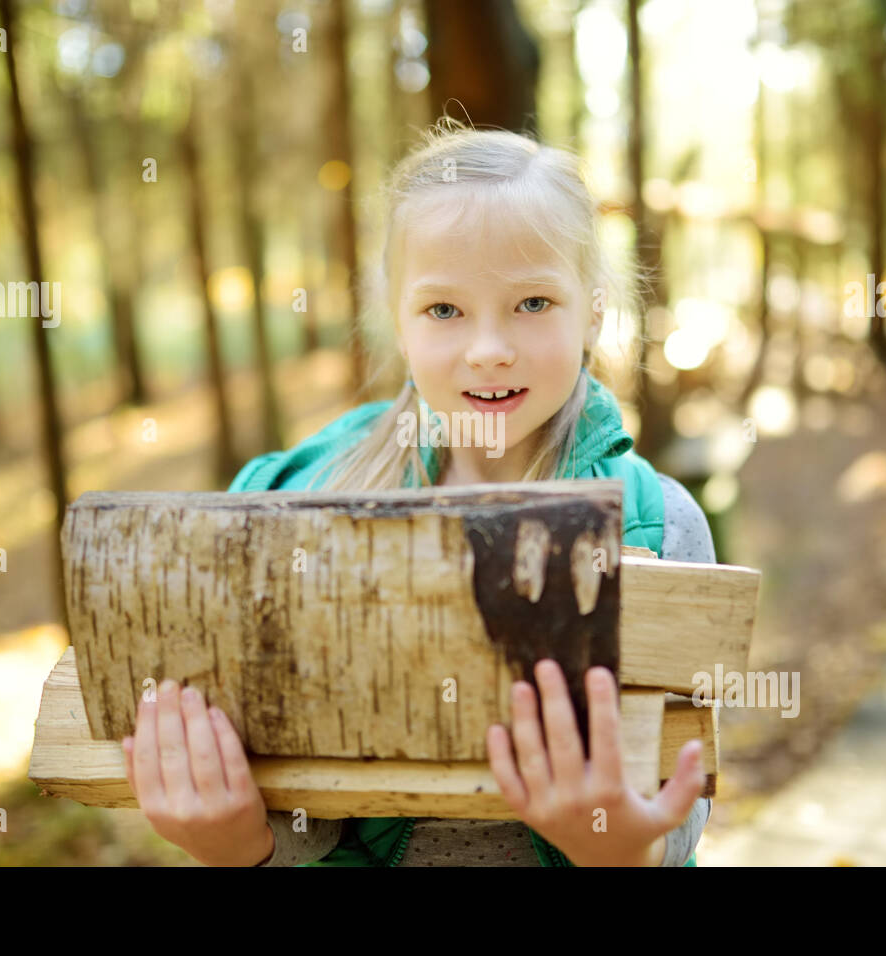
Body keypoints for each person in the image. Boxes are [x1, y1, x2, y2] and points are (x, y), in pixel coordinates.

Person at [121, 118, 716, 867]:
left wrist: (621, 849)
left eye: (533, 303)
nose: (489, 348)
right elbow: (301, 802)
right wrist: (243, 845)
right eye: (444, 310)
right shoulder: (307, 502)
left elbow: (684, 807)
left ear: (594, 308)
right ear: (400, 321)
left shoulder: (658, 527)